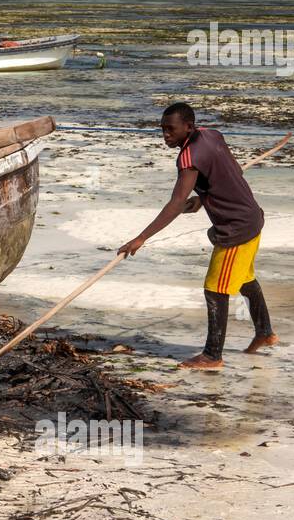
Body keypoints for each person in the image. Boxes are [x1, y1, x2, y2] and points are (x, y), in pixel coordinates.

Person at [117, 103, 277, 370]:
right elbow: (230, 170)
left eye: (171, 130)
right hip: (252, 219)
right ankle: (265, 333)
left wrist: (141, 238)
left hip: (236, 230)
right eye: (162, 130)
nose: (165, 135)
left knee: (215, 289)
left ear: (188, 127)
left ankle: (213, 356)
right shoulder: (212, 134)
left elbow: (176, 202)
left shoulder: (188, 158)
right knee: (245, 279)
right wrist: (204, 198)